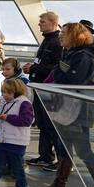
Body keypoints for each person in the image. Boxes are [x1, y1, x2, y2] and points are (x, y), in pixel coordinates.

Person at [36, 22, 94, 187]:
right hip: (70, 109)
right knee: (64, 147)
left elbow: (69, 80)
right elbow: (62, 75)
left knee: (83, 150)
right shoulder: (71, 54)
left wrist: (60, 71)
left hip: (79, 112)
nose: (60, 36)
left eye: (63, 33)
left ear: (75, 36)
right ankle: (59, 184)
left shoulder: (83, 57)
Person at [24, 11, 62, 169]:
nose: (39, 24)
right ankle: (45, 155)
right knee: (42, 123)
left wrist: (35, 68)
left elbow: (57, 67)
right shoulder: (47, 41)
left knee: (49, 124)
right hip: (39, 87)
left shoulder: (56, 42)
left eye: (43, 22)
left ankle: (57, 159)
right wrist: (33, 68)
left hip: (48, 89)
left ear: (54, 23)